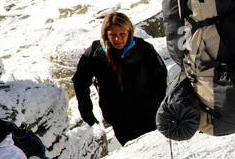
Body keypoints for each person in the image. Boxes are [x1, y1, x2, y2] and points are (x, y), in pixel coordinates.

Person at [72, 12, 168, 145]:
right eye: (113, 35)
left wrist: (163, 108)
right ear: (106, 34)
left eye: (122, 34)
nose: (118, 39)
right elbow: (80, 81)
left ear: (129, 32)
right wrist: (87, 114)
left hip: (149, 115)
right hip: (119, 119)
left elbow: (161, 78)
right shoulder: (96, 54)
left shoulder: (144, 49)